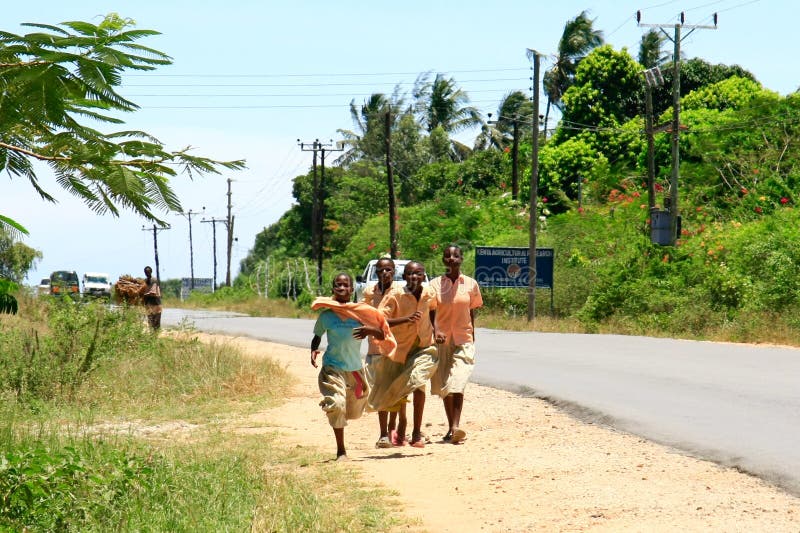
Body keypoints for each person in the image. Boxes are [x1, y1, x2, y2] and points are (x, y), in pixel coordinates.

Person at [310, 273, 396, 460]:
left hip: (355, 369)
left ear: (351, 290)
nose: (341, 288)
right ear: (333, 289)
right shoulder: (326, 316)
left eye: (345, 285)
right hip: (332, 367)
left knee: (356, 409)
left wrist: (369, 330)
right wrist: (314, 350)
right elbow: (317, 336)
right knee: (337, 405)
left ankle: (337, 410)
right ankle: (341, 451)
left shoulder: (361, 314)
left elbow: (382, 333)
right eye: (337, 285)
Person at [373, 261, 438, 448]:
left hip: (423, 346)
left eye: (418, 273)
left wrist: (436, 329)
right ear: (404, 277)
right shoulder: (395, 295)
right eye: (410, 274)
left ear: (424, 276)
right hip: (399, 349)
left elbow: (433, 310)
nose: (414, 277)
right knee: (387, 388)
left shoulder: (429, 293)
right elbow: (380, 319)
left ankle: (416, 433)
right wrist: (404, 320)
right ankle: (384, 434)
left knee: (418, 383)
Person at [429, 245, 483, 444]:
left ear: (461, 259)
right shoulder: (434, 285)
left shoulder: (471, 284)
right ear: (443, 260)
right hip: (442, 342)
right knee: (445, 386)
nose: (451, 258)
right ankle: (451, 427)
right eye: (447, 256)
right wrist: (436, 331)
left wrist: (472, 333)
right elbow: (431, 312)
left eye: (455, 255)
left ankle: (455, 426)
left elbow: (471, 310)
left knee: (457, 382)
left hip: (463, 340)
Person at [362, 257, 402, 448]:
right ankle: (383, 433)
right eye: (381, 270)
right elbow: (362, 313)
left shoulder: (400, 292)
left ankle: (391, 430)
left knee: (392, 392)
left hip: (395, 349)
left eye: (388, 270)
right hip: (374, 348)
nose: (384, 273)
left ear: (394, 272)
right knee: (378, 392)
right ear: (376, 272)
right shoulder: (370, 292)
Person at [140, 266, 162, 331]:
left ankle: (156, 335)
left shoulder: (154, 280)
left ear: (151, 272)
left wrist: (144, 295)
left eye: (148, 272)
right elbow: (143, 291)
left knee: (156, 320)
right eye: (146, 272)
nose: (147, 273)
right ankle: (152, 335)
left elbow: (153, 292)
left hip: (156, 303)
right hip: (148, 303)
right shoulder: (145, 281)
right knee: (150, 320)